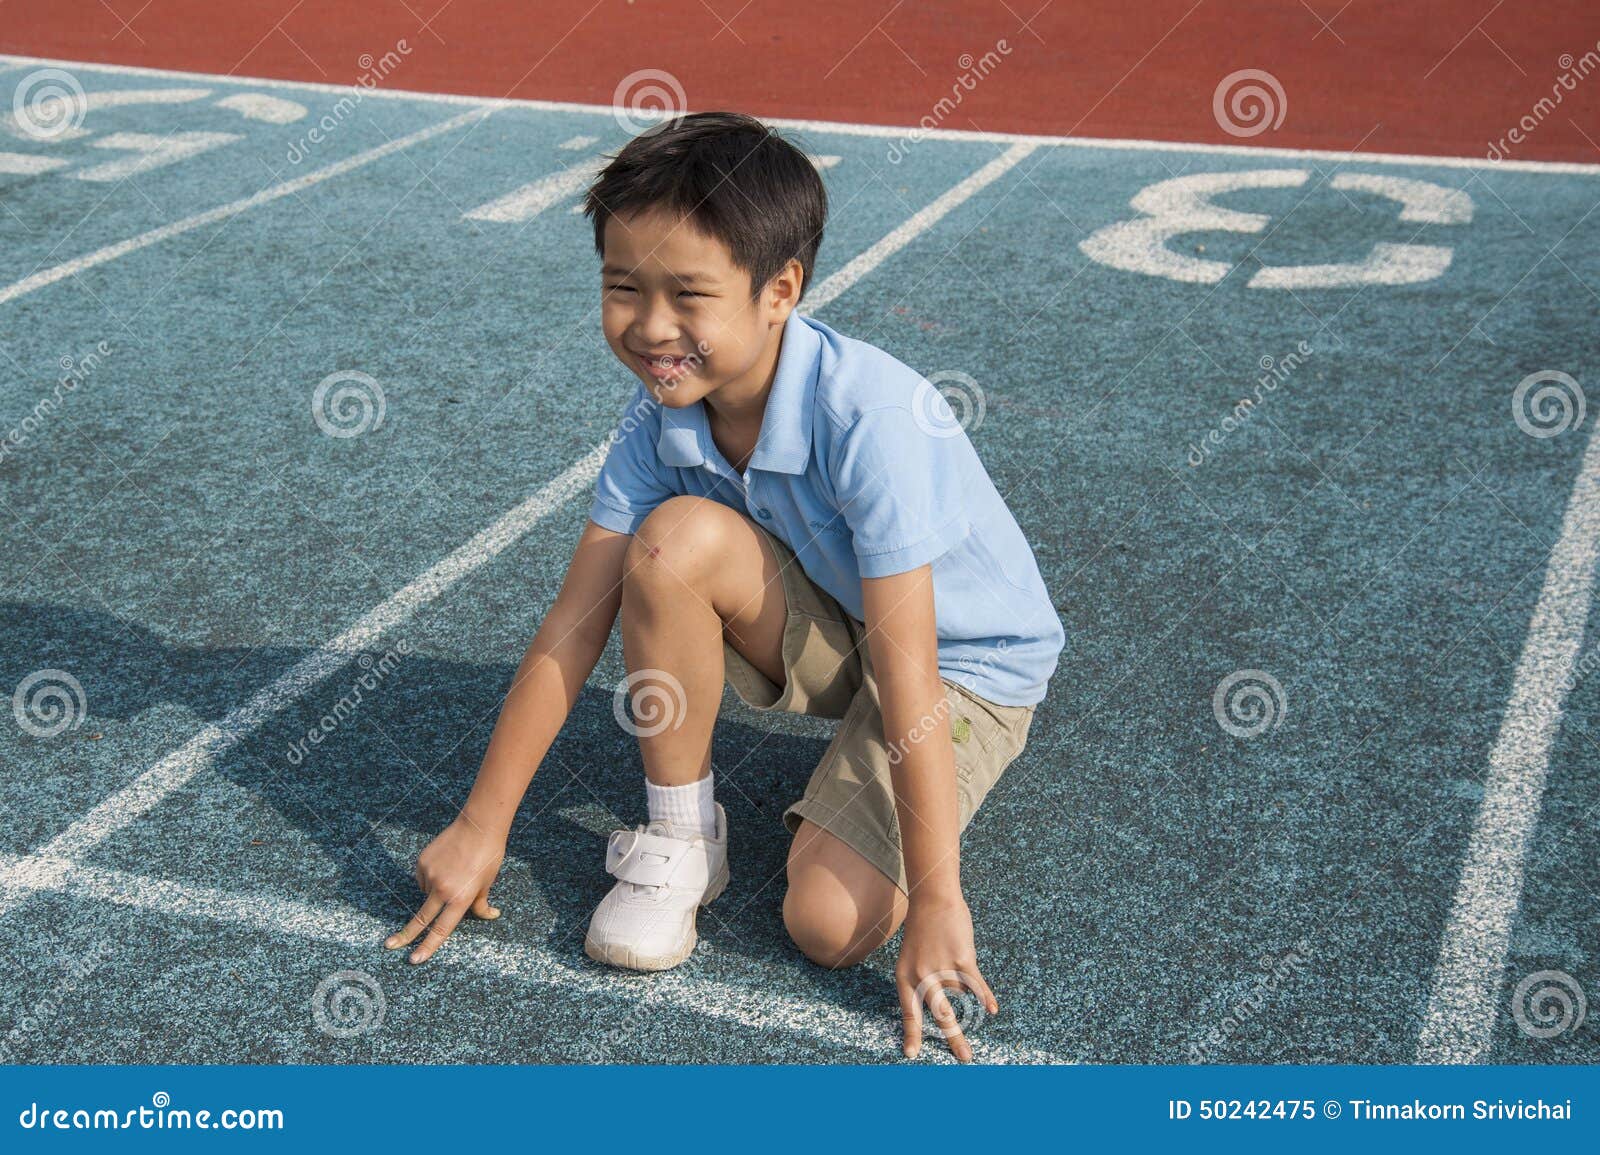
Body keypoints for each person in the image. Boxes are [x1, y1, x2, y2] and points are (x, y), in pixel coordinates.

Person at [386, 111, 1065, 1061]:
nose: (651, 326)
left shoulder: (873, 416)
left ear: (780, 289)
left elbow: (908, 673)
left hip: (960, 665)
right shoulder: (657, 417)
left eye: (688, 294)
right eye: (624, 287)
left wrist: (940, 900)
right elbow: (573, 625)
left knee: (828, 924)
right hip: (846, 626)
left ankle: (909, 822)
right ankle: (680, 840)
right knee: (668, 543)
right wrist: (479, 823)